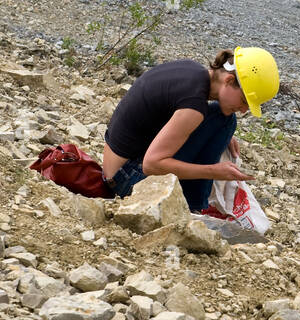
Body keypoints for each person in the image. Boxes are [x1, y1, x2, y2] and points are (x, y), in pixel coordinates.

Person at [101, 47, 279, 212]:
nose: (243, 110)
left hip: (116, 170)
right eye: (244, 101)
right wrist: (213, 170)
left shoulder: (192, 71)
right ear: (229, 80)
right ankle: (195, 208)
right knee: (225, 120)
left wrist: (214, 132)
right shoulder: (194, 107)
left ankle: (194, 203)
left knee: (221, 120)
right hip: (128, 181)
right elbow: (152, 164)